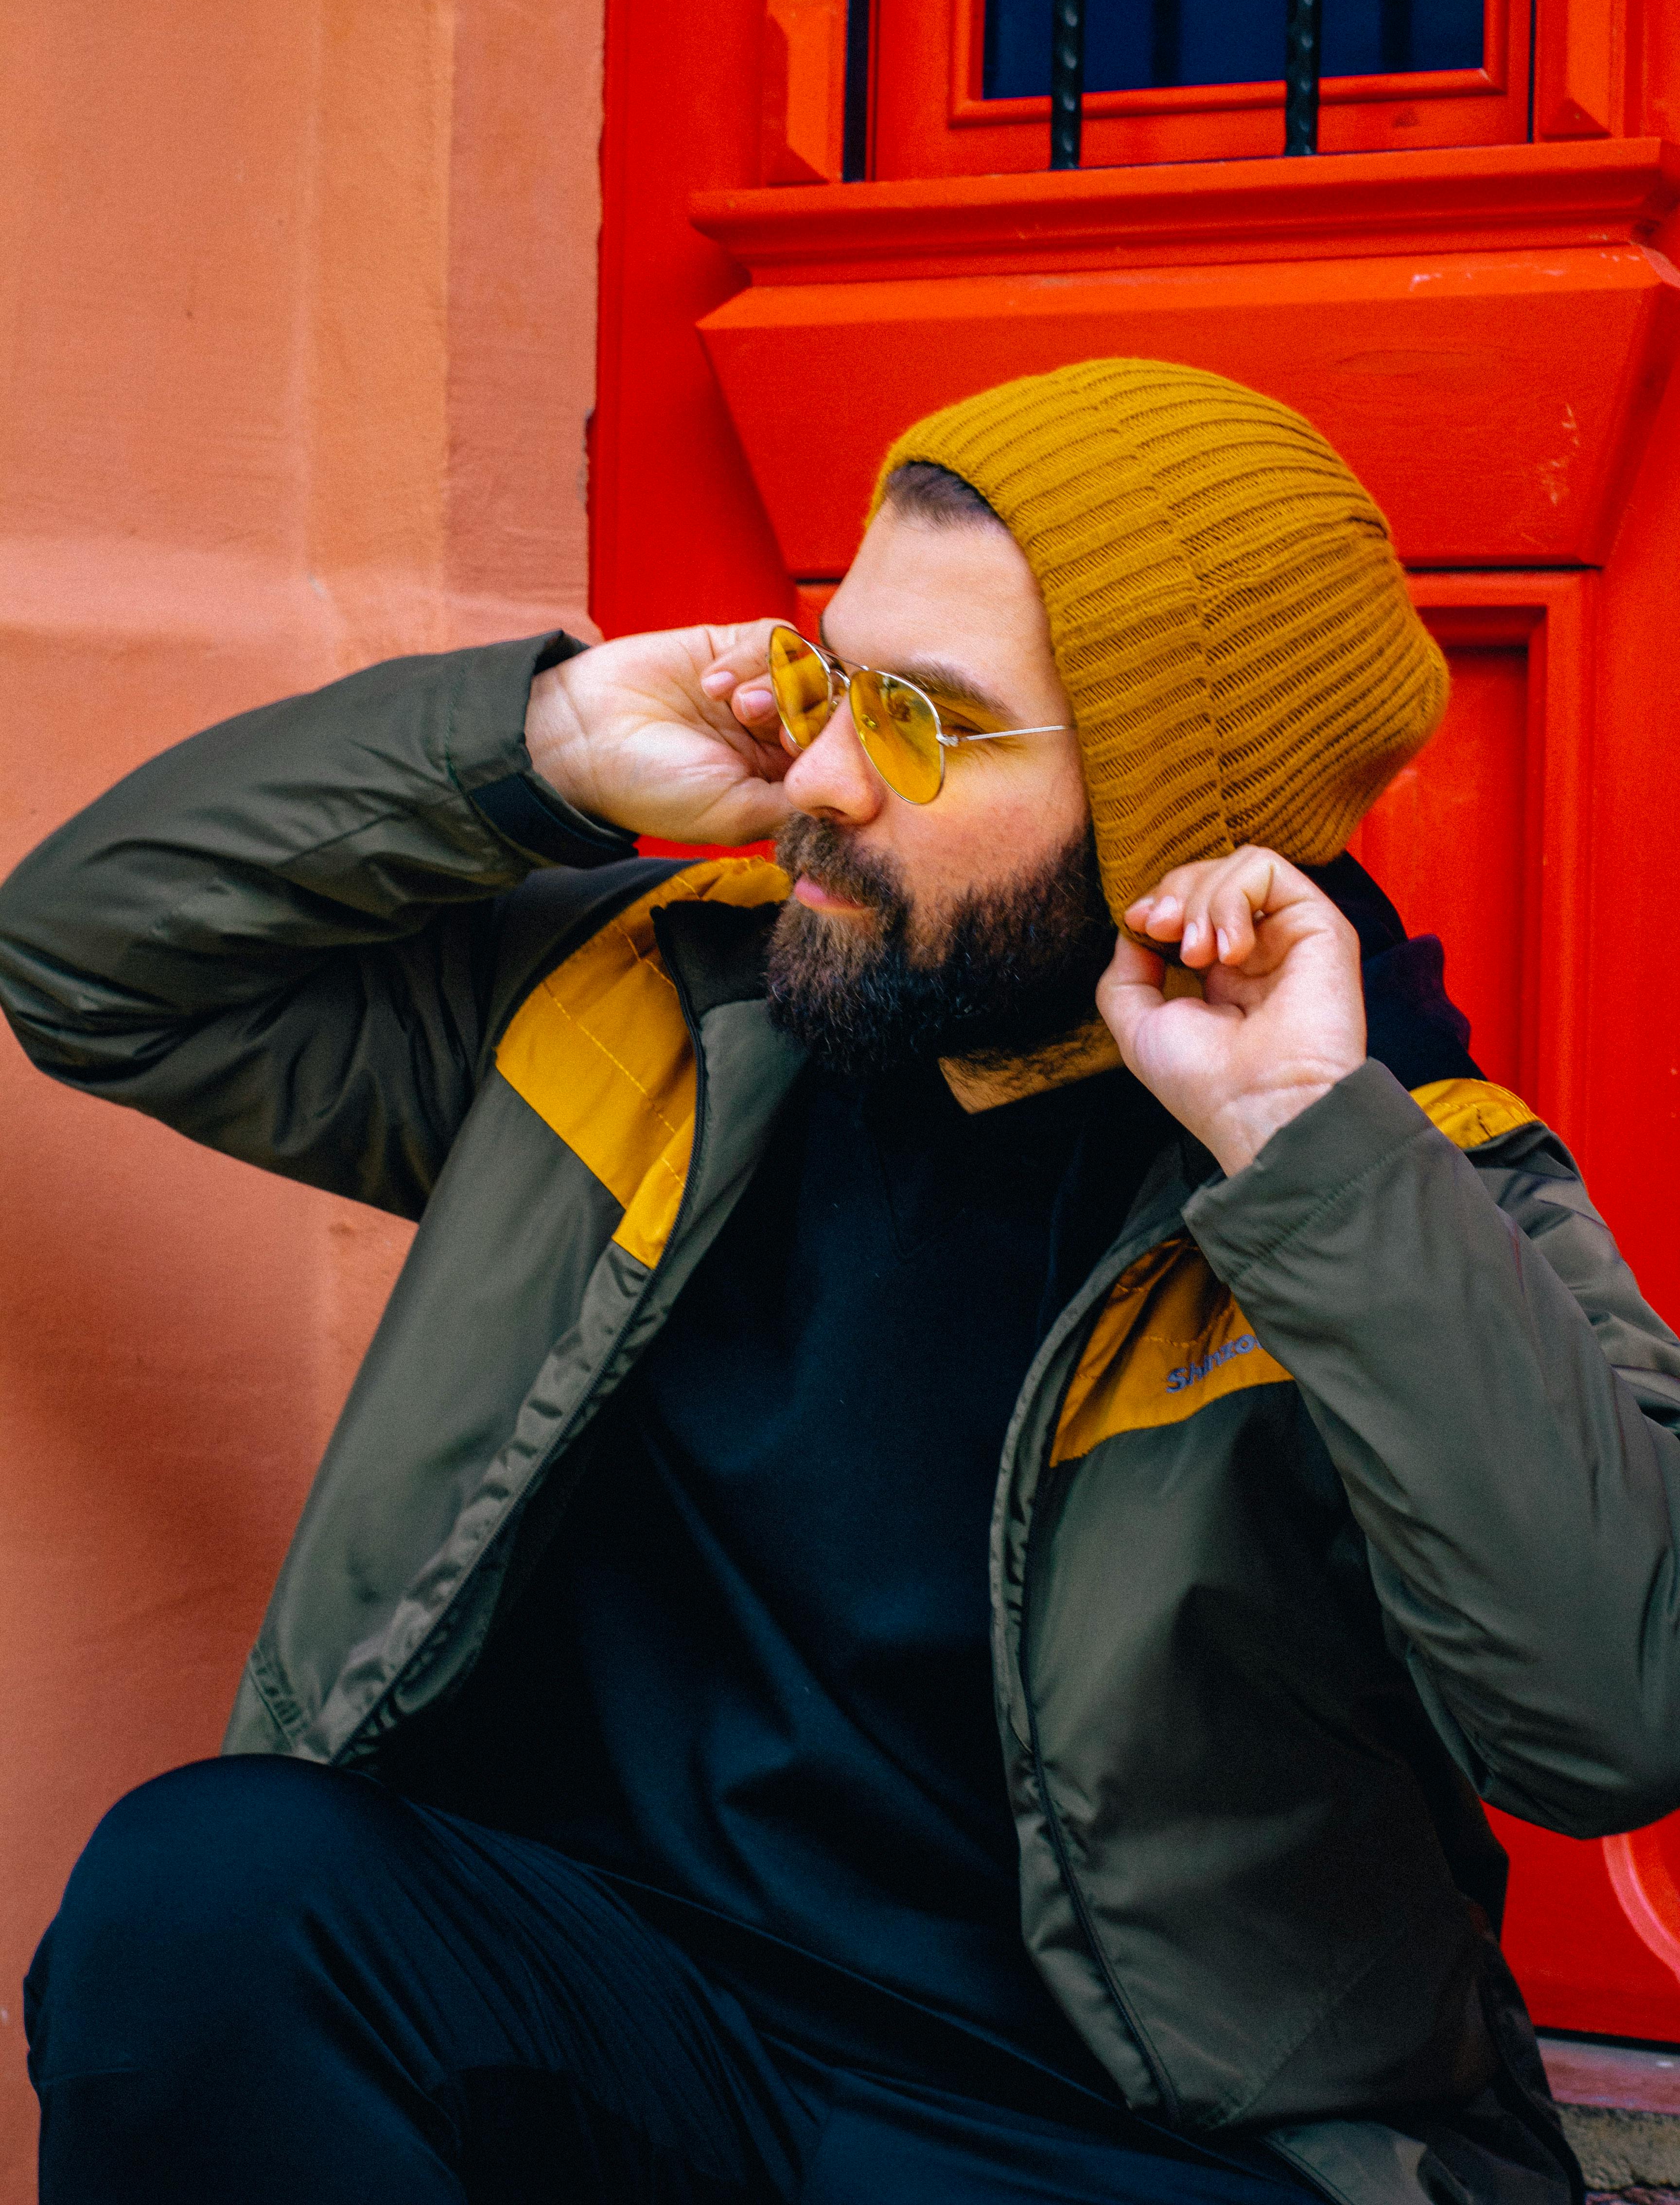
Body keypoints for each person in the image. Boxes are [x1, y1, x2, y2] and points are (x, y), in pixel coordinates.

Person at [5, 358, 1680, 2205]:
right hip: (630, 2025)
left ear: (1175, 809)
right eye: (835, 678)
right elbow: (92, 963)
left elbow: (1611, 1716)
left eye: (927, 721)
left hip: (1096, 2136)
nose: (818, 774)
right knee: (214, 1897)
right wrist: (537, 746)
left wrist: (1301, 1147)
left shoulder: (1388, 1188)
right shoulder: (655, 1011)